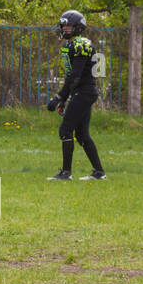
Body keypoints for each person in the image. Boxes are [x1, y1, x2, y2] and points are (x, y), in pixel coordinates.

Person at [47, 9, 105, 181]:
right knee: (81, 134)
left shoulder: (81, 44)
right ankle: (99, 172)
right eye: (63, 26)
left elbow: (75, 75)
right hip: (82, 92)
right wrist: (66, 99)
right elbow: (72, 76)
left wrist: (60, 97)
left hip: (84, 92)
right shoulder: (71, 45)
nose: (65, 29)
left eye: (69, 26)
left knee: (65, 130)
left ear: (78, 27)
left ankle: (66, 173)